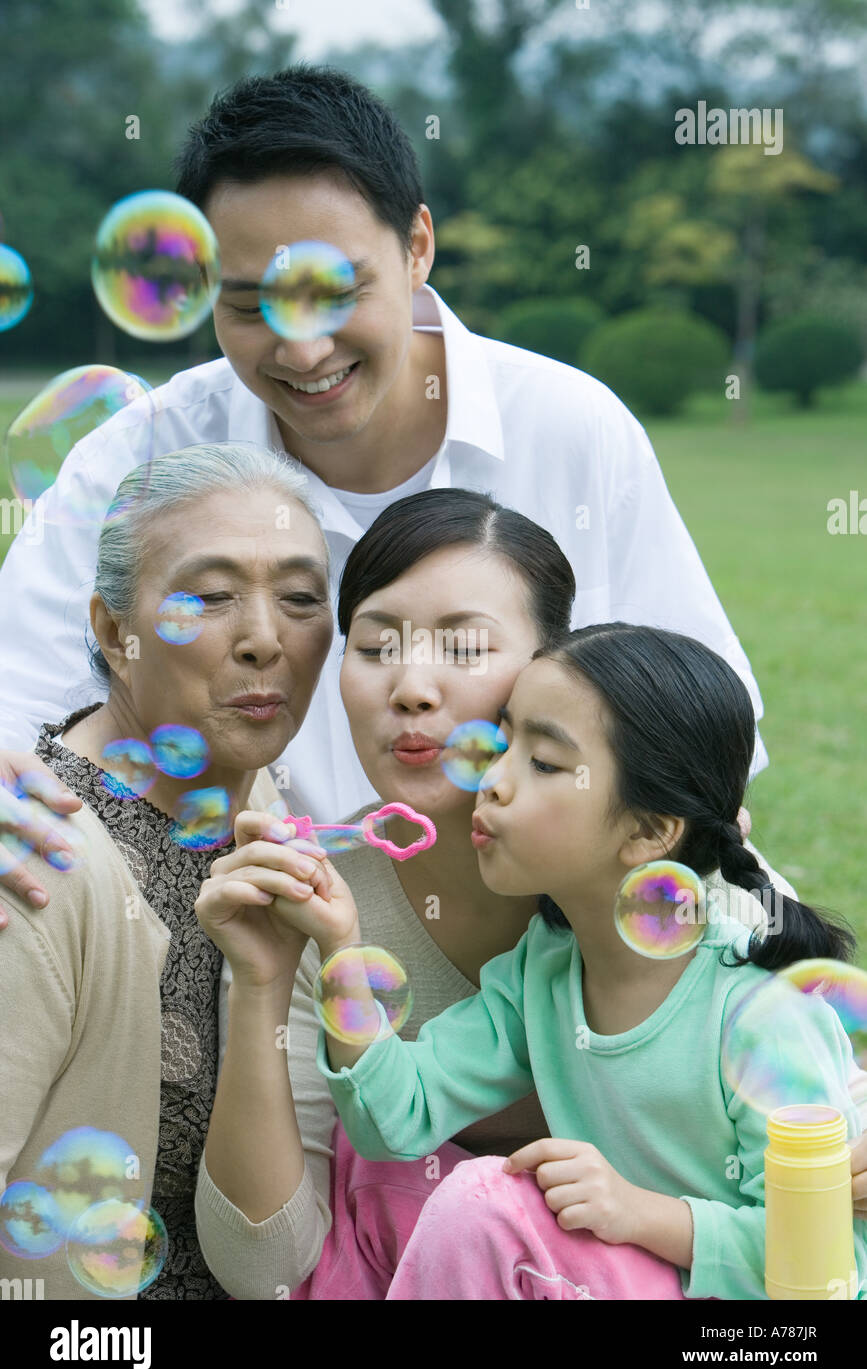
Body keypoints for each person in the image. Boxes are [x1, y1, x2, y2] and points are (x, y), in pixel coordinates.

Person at [0, 62, 769, 924]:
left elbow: (699, 731)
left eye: (334, 293)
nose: (301, 351)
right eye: (249, 306)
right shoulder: (142, 454)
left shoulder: (569, 428)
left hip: (538, 929)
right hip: (241, 925)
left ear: (416, 248)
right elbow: (15, 696)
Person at [192, 490, 846, 1301]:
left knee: (478, 1203)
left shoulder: (742, 970)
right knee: (402, 1182)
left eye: (464, 647)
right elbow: (388, 1124)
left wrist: (644, 1214)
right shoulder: (543, 968)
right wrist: (334, 951)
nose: (412, 689)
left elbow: (828, 1255)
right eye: (374, 645)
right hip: (574, 1272)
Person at [0, 443, 333, 1299]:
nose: (265, 639)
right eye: (211, 597)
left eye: (300, 598)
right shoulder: (35, 861)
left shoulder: (274, 813)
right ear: (115, 633)